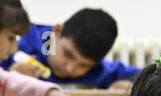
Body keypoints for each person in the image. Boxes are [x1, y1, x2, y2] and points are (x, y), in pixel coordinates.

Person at [1, 8, 138, 89]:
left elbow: (139, 76)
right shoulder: (18, 45)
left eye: (83, 65)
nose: (70, 69)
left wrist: (125, 85)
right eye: (68, 54)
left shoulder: (98, 69)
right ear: (57, 31)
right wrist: (7, 77)